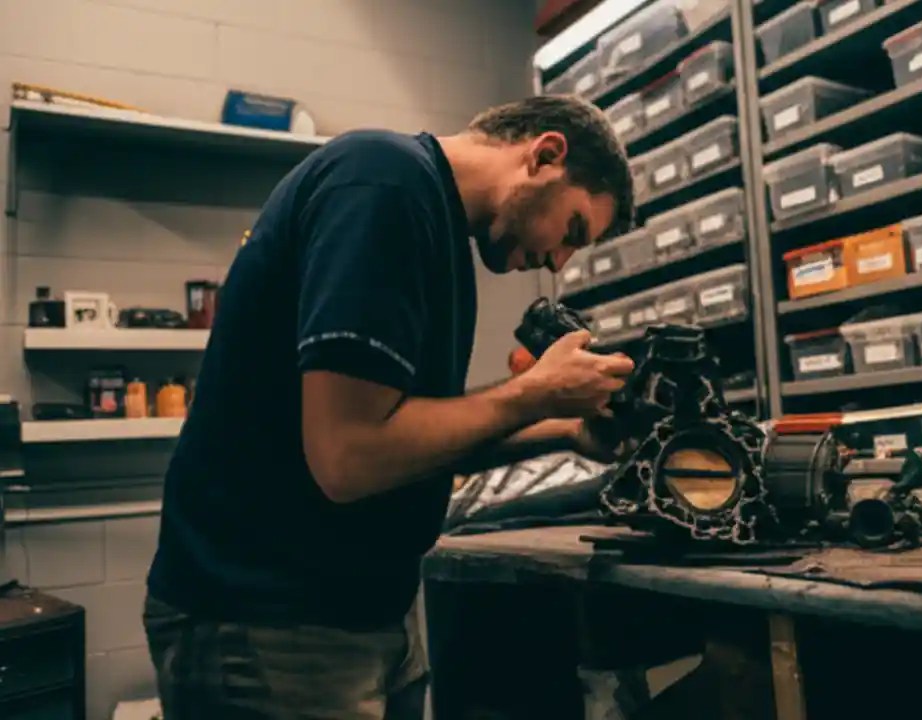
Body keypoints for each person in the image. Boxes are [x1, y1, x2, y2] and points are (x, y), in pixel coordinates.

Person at [143, 95, 636, 719]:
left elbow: (408, 437)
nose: (557, 262)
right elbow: (350, 459)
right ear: (544, 155)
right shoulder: (383, 184)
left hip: (360, 614)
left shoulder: (433, 225)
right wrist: (535, 391)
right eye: (571, 232)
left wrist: (562, 428)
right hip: (269, 623)